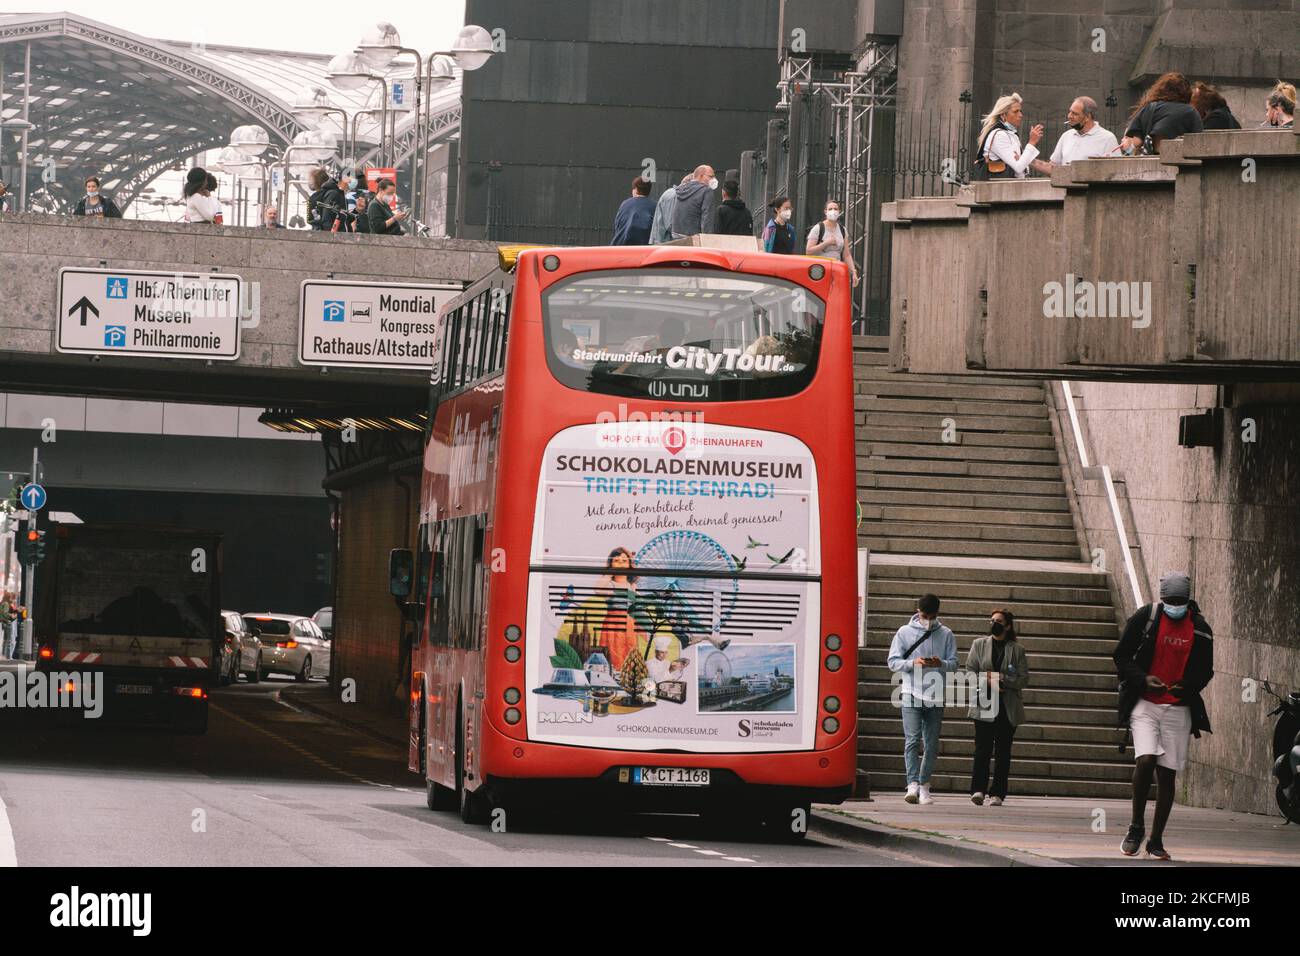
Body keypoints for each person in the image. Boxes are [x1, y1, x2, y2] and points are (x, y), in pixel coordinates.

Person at [1114, 571, 1214, 861]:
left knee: (1167, 773)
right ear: (1162, 599)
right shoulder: (1147, 616)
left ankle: (1156, 840)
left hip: (1178, 707)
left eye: (1179, 601)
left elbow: (1206, 670)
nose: (1175, 606)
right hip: (1145, 703)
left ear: (1187, 600)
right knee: (1145, 760)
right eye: (1170, 601)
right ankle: (1135, 827)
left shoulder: (1199, 627)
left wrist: (1188, 686)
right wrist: (1143, 679)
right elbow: (1121, 656)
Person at [887, 593, 958, 805]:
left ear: (937, 614)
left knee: (931, 743)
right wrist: (912, 662)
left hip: (935, 693)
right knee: (912, 739)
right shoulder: (904, 632)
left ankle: (925, 785)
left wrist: (941, 663)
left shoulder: (946, 634)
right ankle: (912, 784)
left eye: (931, 615)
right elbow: (893, 662)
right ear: (918, 611)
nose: (927, 619)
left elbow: (954, 663)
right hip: (911, 691)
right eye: (924, 615)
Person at [967, 608, 1030, 806]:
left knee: (1003, 751)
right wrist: (988, 679)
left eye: (999, 621)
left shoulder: (1017, 650)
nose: (994, 623)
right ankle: (978, 790)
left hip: (1007, 706)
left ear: (1008, 626)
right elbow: (969, 671)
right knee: (982, 749)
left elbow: (1023, 679)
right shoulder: (979, 644)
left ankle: (998, 793)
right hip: (984, 702)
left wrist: (1005, 680)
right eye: (992, 620)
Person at [1030, 96, 1119, 173]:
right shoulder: (1066, 136)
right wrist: (1027, 159)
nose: (1069, 116)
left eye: (1075, 113)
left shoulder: (1108, 138)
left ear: (1087, 117)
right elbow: (1054, 169)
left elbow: (1115, 172)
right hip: (1067, 191)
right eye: (1070, 111)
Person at [1120, 72, 1203, 155]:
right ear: (1187, 93)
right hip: (1181, 162)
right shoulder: (1191, 111)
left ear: (1161, 89)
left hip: (1152, 163)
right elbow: (1199, 142)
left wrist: (1127, 148)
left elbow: (1136, 142)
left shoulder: (1150, 107)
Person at [974, 92, 1044, 179]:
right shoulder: (999, 135)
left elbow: (1021, 165)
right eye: (1015, 112)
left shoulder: (1011, 134)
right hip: (999, 189)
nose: (1020, 115)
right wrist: (1032, 142)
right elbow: (1019, 168)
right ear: (1003, 115)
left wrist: (1021, 160)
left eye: (1020, 111)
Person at [805, 199, 860, 286]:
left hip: (836, 270)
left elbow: (846, 254)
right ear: (825, 212)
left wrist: (853, 272)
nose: (833, 211)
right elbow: (808, 251)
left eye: (835, 209)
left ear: (839, 211)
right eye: (830, 209)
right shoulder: (818, 228)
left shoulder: (842, 230)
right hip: (820, 272)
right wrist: (826, 243)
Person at [670, 164, 717, 240]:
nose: (714, 179)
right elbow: (707, 219)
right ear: (701, 176)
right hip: (694, 240)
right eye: (711, 176)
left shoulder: (681, 189)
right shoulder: (707, 191)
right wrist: (707, 241)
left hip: (676, 236)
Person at [611, 176, 655, 245]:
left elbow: (618, 225)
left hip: (622, 245)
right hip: (645, 247)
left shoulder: (625, 204)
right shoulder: (654, 206)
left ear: (636, 189)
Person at [649, 174, 687, 244]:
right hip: (665, 244)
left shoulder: (672, 194)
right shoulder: (673, 195)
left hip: (663, 243)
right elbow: (670, 225)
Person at [307, 167, 347, 232]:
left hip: (323, 233)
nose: (310, 182)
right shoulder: (332, 193)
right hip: (329, 234)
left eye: (311, 180)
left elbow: (325, 217)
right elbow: (327, 217)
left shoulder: (328, 194)